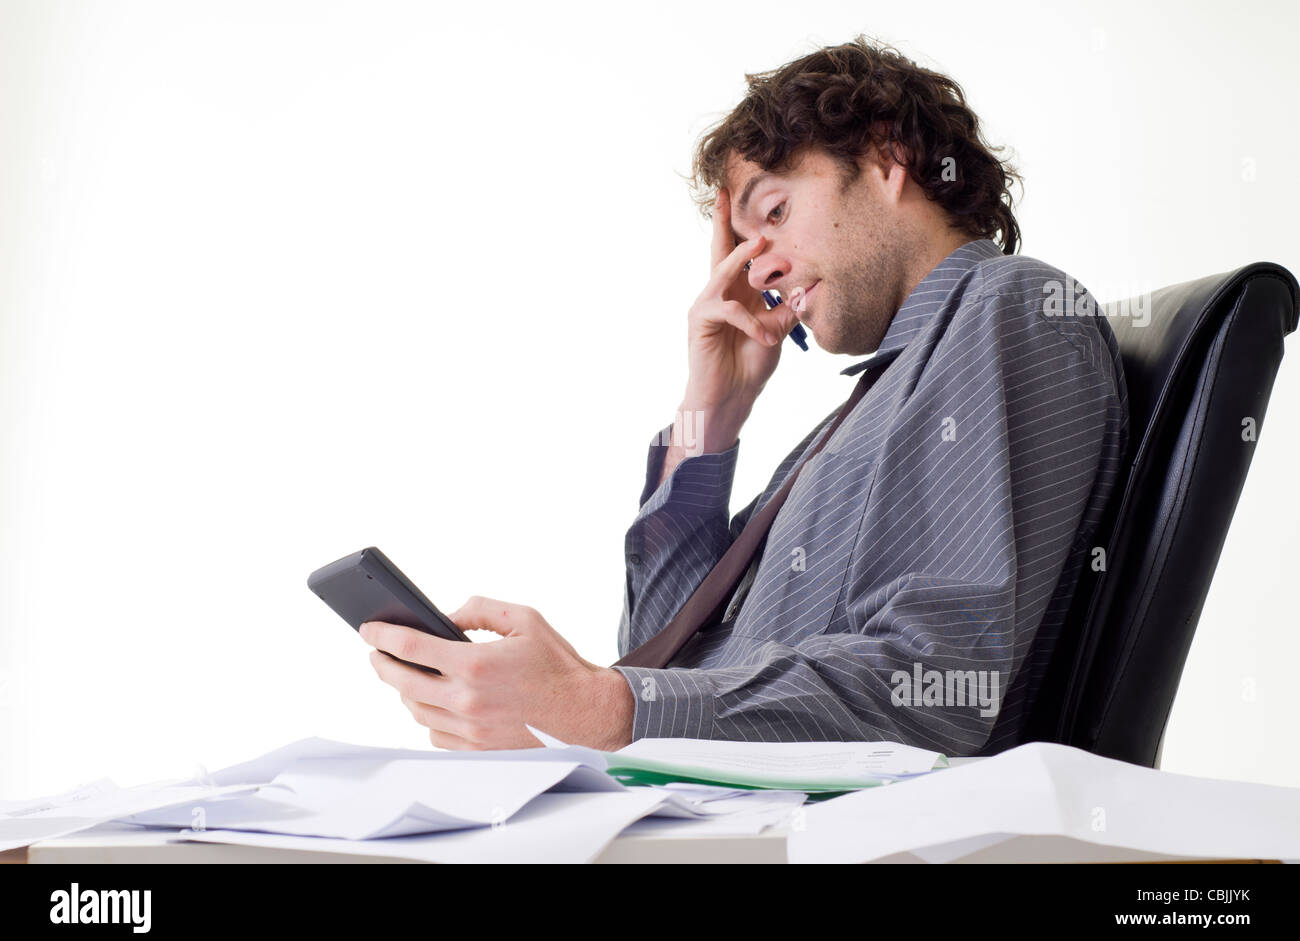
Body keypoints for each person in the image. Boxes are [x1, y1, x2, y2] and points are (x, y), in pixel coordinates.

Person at [358, 36, 1129, 756]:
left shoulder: (1006, 312)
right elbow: (669, 648)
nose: (757, 269)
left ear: (888, 157)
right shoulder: (857, 415)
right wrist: (710, 417)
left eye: (774, 212)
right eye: (744, 243)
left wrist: (602, 707)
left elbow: (934, 688)